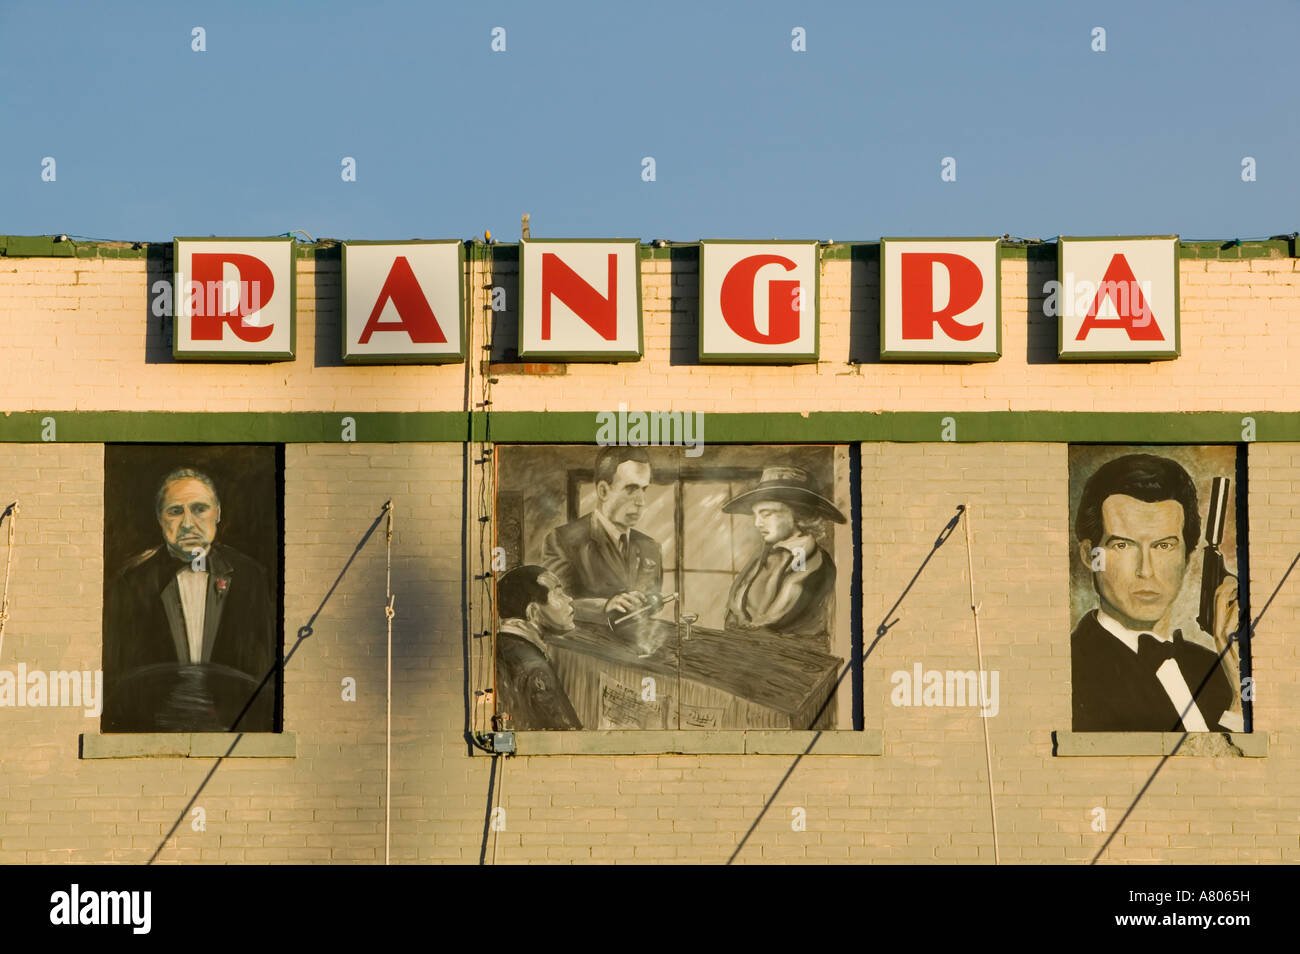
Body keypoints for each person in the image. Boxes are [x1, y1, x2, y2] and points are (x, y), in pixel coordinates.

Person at [1071, 453, 1242, 732]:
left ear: (1187, 558)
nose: (1146, 571)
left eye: (1163, 546)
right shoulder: (1072, 672)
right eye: (1123, 546)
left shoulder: (1217, 670)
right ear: (1090, 556)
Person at [103, 468, 277, 732]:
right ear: (159, 518)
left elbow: (262, 670)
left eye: (199, 509)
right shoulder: (131, 583)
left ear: (217, 512)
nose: (187, 523)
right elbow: (119, 679)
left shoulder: (251, 577)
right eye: (175, 511)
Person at [721, 466, 846, 641]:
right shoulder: (764, 554)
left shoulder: (809, 559)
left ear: (799, 514)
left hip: (793, 657)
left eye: (767, 514)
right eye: (755, 515)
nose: (757, 523)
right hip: (743, 651)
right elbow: (736, 607)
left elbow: (782, 619)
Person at [542, 447, 663, 620]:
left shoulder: (651, 547)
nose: (641, 501)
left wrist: (652, 601)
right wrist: (605, 606)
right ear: (603, 491)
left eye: (644, 489)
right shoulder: (562, 540)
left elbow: (653, 602)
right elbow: (552, 604)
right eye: (631, 488)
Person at [495, 565, 582, 730]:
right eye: (558, 593)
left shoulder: (502, 645)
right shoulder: (535, 669)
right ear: (533, 612)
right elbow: (568, 735)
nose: (569, 599)